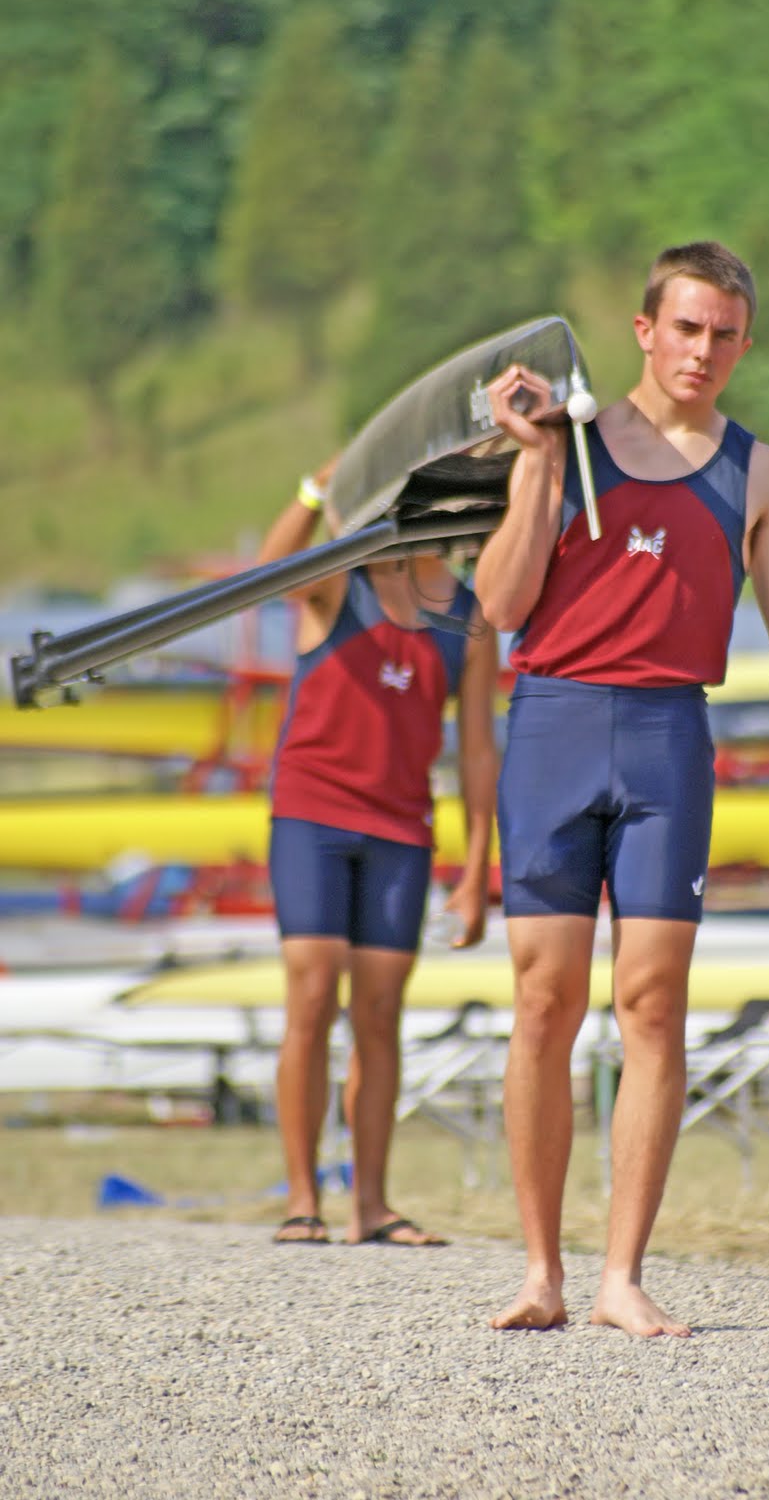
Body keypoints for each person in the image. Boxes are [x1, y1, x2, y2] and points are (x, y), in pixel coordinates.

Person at [474, 240, 769, 1335]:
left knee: (653, 1006)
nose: (704, 351)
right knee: (544, 1002)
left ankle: (621, 1274)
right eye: (686, 328)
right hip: (554, 724)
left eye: (725, 334)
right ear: (645, 330)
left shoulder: (758, 471)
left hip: (669, 739)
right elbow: (500, 604)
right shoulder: (569, 439)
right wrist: (534, 463)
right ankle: (541, 1270)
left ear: (744, 343)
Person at [260, 457, 499, 1246]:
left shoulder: (466, 615)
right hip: (313, 813)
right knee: (311, 993)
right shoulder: (335, 579)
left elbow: (476, 754)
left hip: (401, 829)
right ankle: (303, 1198)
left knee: (380, 1013)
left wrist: (472, 875)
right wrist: (310, 492)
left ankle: (371, 1204)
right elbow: (266, 574)